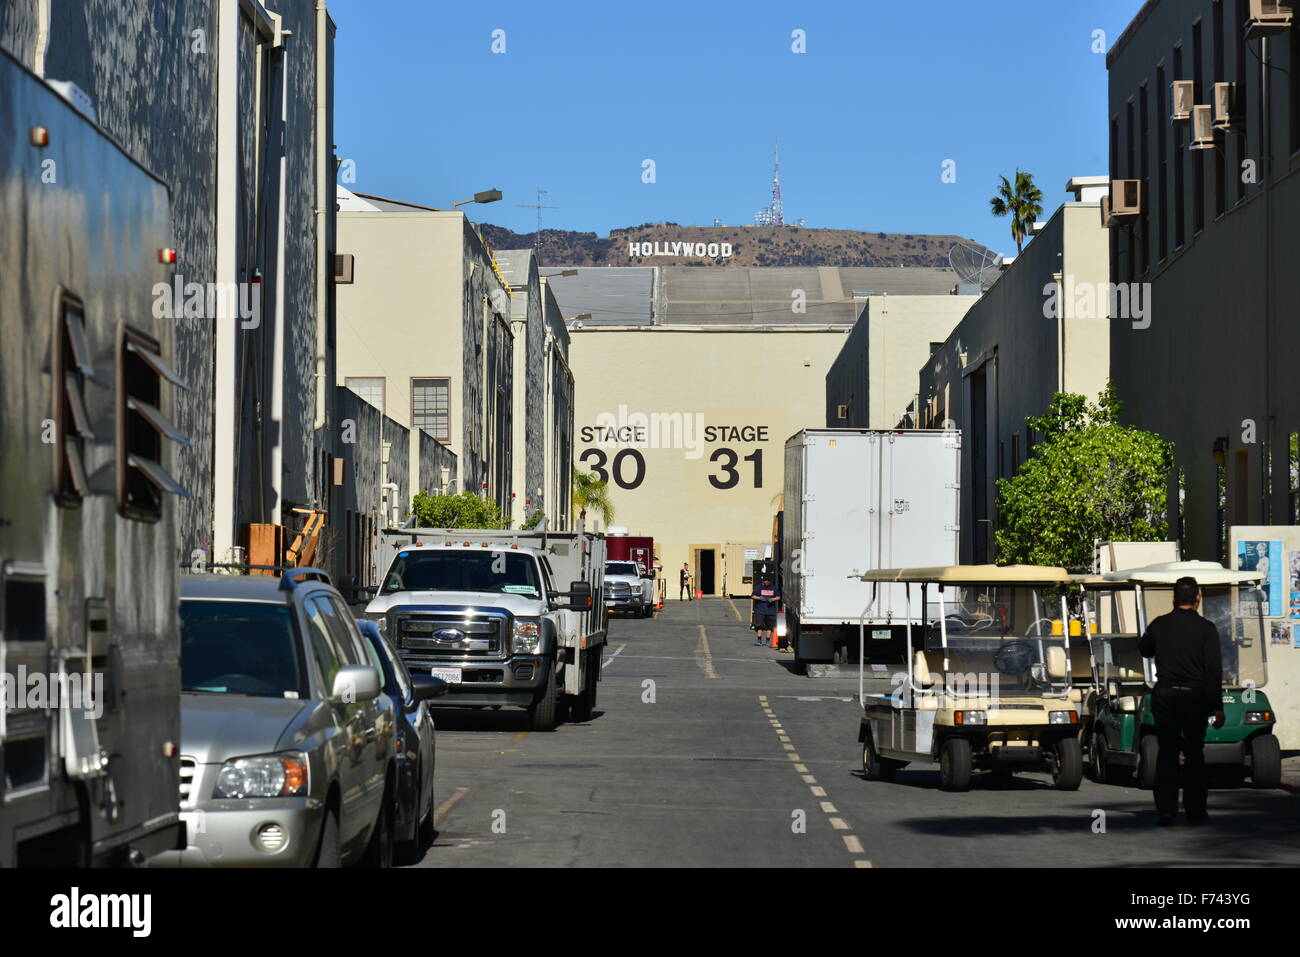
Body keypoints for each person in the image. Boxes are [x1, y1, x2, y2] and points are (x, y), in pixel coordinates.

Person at [1138, 576, 1224, 826]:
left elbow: (1144, 649)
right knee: (1195, 754)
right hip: (1194, 697)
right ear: (1198, 597)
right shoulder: (1207, 629)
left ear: (1174, 598)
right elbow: (1213, 671)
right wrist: (1217, 706)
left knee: (1167, 753)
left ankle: (1166, 809)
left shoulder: (1159, 625)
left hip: (1165, 696)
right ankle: (1196, 810)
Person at [751, 575, 780, 647]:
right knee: (759, 626)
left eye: (768, 580)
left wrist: (772, 599)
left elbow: (778, 597)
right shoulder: (759, 587)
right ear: (763, 581)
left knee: (769, 627)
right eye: (765, 580)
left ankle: (767, 641)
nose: (766, 582)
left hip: (770, 611)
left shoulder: (774, 588)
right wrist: (760, 598)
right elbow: (753, 596)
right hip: (760, 611)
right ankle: (759, 640)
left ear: (770, 581)